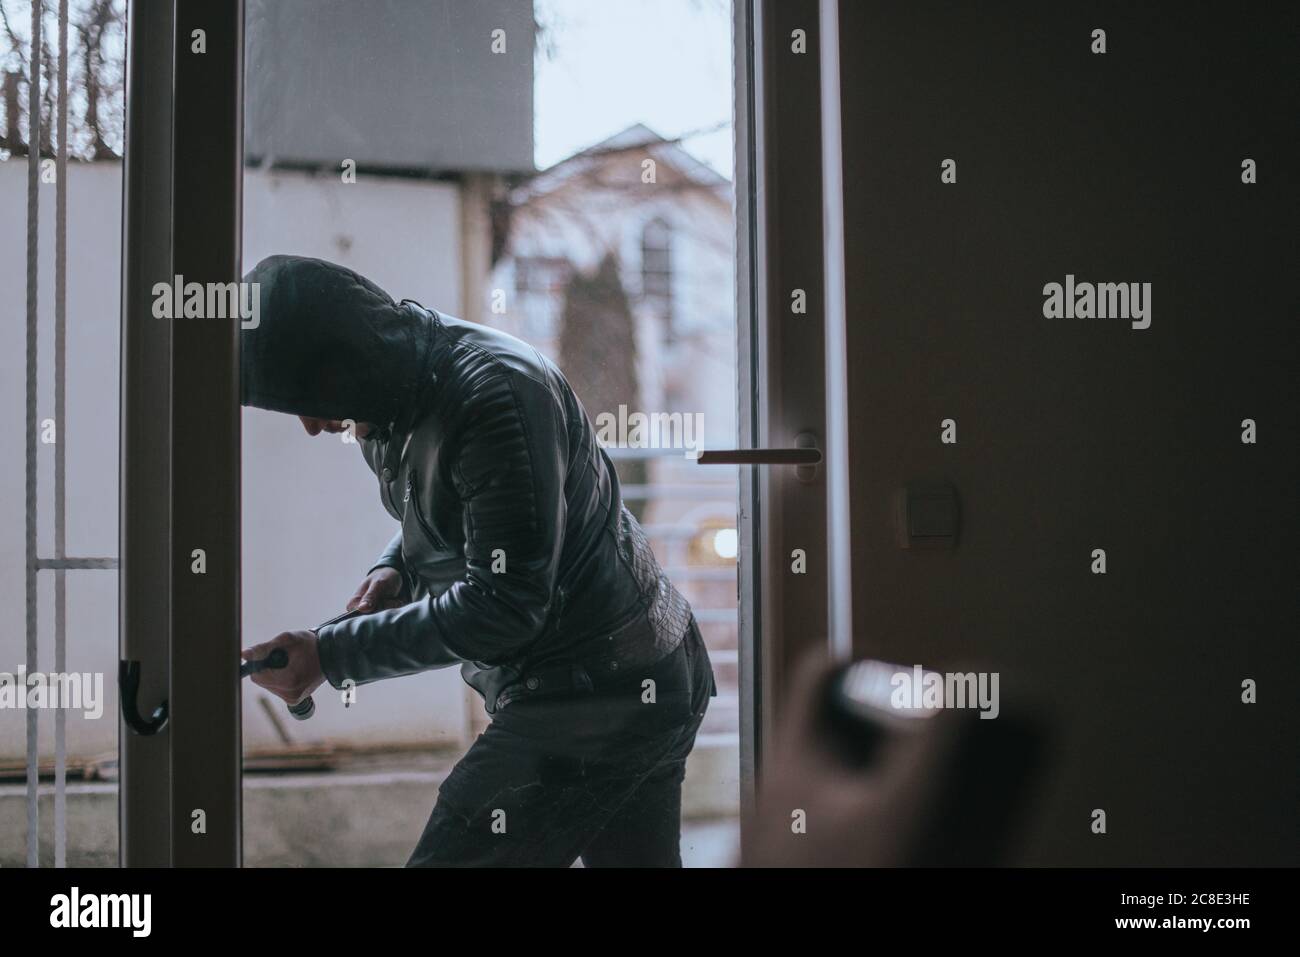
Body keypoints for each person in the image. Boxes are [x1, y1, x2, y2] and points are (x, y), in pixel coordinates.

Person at [238, 254, 715, 867]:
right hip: (624, 678)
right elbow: (461, 513)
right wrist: (398, 568)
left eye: (306, 396)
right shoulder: (388, 397)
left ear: (346, 359)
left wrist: (331, 655)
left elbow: (505, 605)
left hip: (599, 689)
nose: (308, 424)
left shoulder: (496, 398)